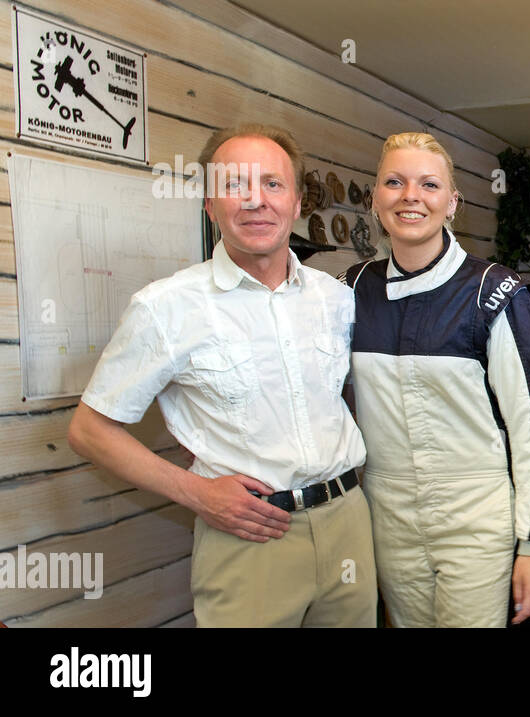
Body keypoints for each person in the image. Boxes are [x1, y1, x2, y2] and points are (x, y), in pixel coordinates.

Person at [66, 124, 375, 627]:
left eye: (273, 184)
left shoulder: (336, 298)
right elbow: (88, 431)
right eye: (235, 185)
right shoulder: (166, 307)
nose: (257, 201)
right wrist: (196, 493)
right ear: (210, 205)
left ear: (297, 203)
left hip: (348, 523)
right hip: (249, 537)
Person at [341, 132, 530, 627]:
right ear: (375, 198)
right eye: (394, 182)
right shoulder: (351, 290)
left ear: (452, 202)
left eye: (429, 184)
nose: (410, 196)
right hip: (387, 512)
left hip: (474, 512)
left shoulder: (492, 291)